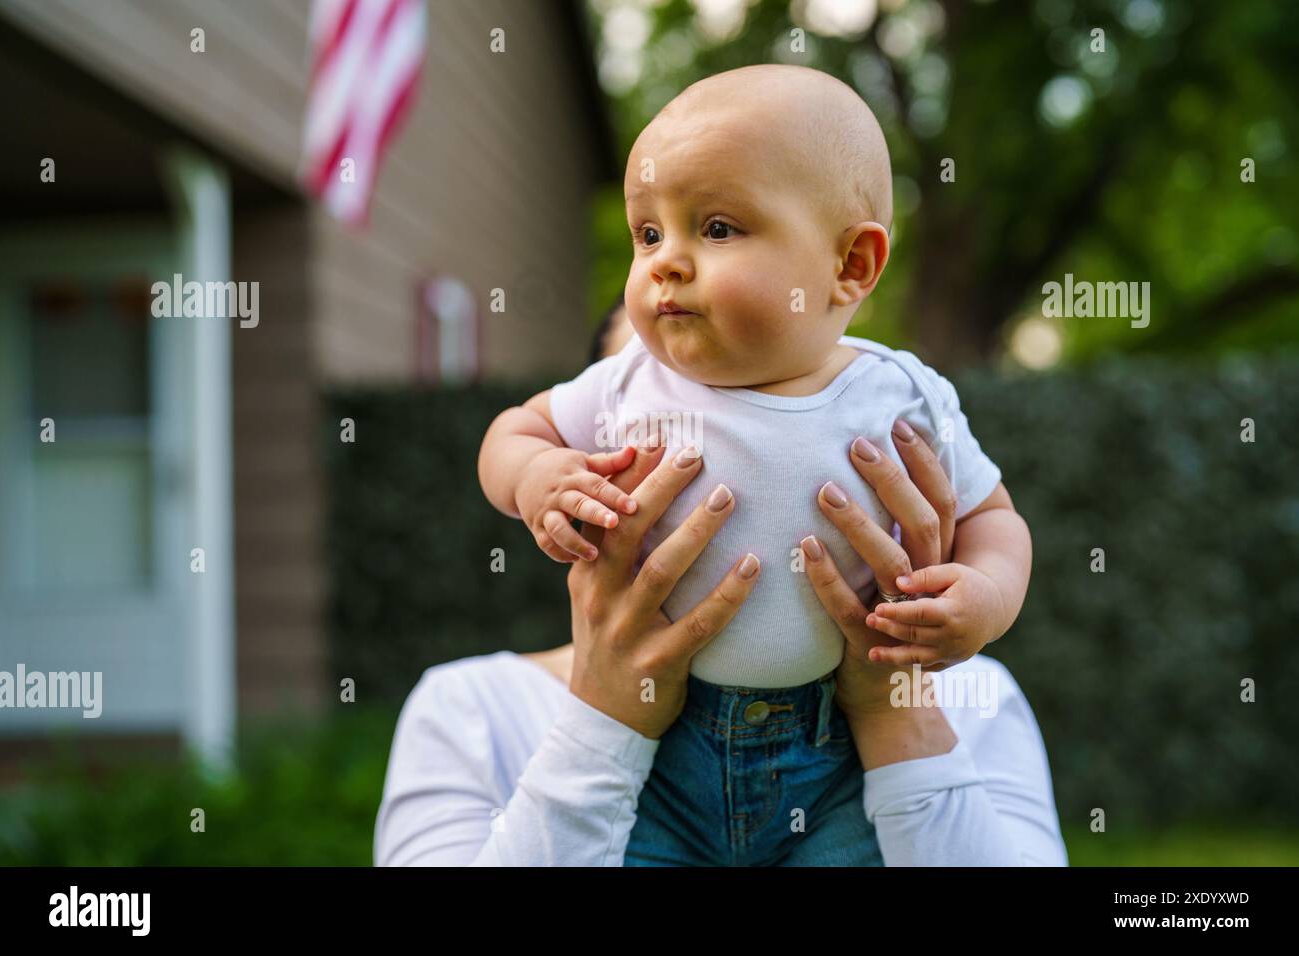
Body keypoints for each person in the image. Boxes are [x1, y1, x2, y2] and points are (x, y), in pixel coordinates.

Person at [473, 65, 1034, 862]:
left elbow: (992, 517)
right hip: (662, 748)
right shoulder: (630, 382)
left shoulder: (899, 395)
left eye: (718, 228)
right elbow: (512, 430)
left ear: (851, 266)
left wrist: (986, 598)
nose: (665, 260)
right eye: (648, 233)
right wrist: (533, 477)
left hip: (838, 750)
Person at [373, 308, 1067, 867]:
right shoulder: (469, 710)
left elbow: (994, 518)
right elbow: (517, 434)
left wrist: (919, 677)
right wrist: (607, 716)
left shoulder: (975, 699)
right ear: (595, 446)